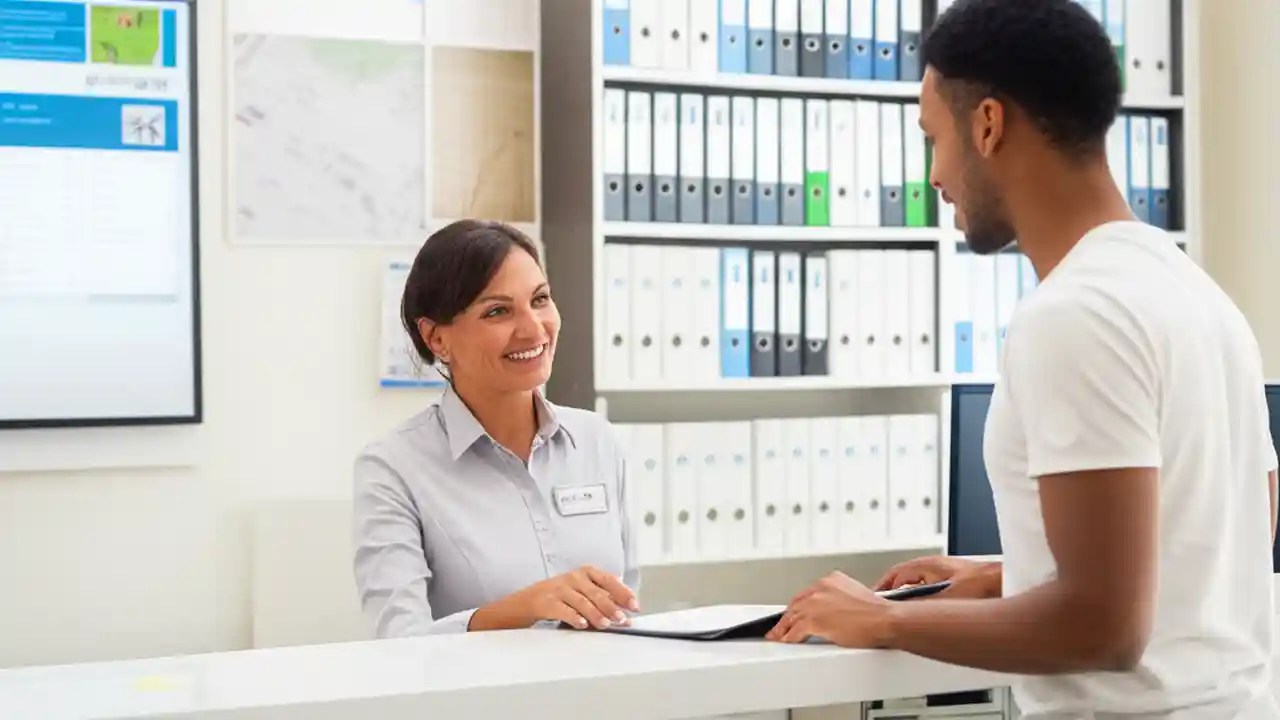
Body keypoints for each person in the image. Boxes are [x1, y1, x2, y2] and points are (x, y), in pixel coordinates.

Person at [767, 1, 1280, 717]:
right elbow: (1219, 549)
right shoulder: (1196, 294)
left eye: (933, 139)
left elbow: (1104, 629)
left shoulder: (1075, 316)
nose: (934, 176)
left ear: (987, 124)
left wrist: (884, 618)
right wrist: (1012, 574)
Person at [352, 219, 640, 638]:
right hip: (476, 702)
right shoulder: (392, 468)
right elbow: (399, 640)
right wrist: (519, 609)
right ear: (436, 338)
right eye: (498, 311)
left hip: (601, 698)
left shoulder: (599, 441)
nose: (532, 328)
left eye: (540, 300)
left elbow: (628, 610)